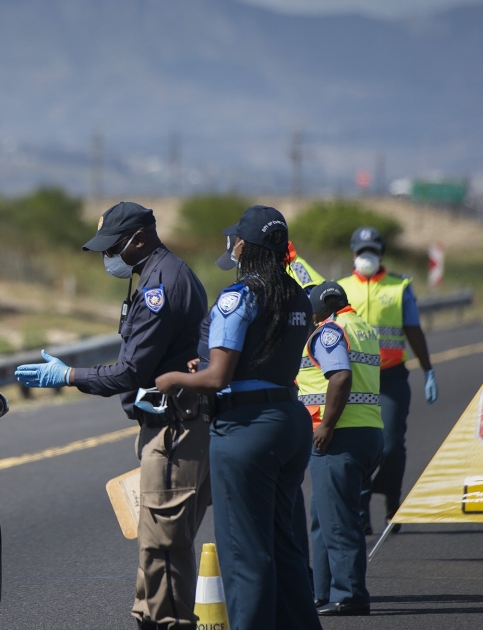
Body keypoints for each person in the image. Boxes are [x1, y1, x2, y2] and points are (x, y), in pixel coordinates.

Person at [14, 201, 210, 630]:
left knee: (165, 542)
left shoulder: (162, 284)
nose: (108, 258)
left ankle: (167, 622)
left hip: (177, 430)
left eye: (112, 248)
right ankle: (150, 615)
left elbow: (130, 371)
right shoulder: (156, 275)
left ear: (138, 239)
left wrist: (69, 374)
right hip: (166, 426)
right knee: (156, 538)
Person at [155, 205, 321, 630]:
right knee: (285, 545)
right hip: (289, 419)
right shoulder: (297, 294)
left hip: (246, 430)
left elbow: (219, 376)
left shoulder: (239, 295)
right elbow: (264, 359)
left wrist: (172, 377)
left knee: (245, 552)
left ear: (244, 246)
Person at [337, 227, 436, 534]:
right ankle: (361, 510)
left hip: (390, 377)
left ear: (381, 254)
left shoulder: (399, 287)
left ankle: (392, 503)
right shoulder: (339, 288)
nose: (367, 256)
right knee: (361, 445)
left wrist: (428, 369)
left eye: (373, 250)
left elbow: (413, 329)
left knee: (391, 444)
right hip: (354, 380)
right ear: (353, 254)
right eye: (361, 250)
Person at [296, 282, 383, 616]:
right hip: (368, 431)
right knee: (324, 513)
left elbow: (341, 377)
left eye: (311, 307)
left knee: (339, 521)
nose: (308, 314)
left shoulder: (330, 331)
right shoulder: (363, 327)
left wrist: (327, 425)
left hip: (339, 436)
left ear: (326, 305)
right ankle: (321, 591)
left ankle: (350, 596)